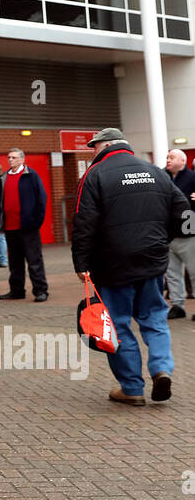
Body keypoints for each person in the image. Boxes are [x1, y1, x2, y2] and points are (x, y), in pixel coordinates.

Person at [72, 127, 188, 405]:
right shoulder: (155, 172)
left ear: (106, 145)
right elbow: (182, 208)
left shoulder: (95, 174)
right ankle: (161, 369)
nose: (94, 151)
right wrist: (164, 239)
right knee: (155, 319)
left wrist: (82, 263)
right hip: (151, 260)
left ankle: (132, 388)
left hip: (113, 264)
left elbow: (83, 222)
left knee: (119, 324)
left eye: (95, 147)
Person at [0, 147, 49, 302]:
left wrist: (36, 221)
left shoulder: (31, 175)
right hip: (10, 226)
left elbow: (41, 198)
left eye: (13, 157)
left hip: (28, 227)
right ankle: (16, 290)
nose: (10, 160)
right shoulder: (4, 177)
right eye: (9, 157)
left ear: (22, 159)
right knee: (15, 262)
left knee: (34, 261)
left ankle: (41, 291)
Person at [164, 149, 195, 321]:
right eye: (167, 157)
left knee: (194, 272)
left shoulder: (192, 177)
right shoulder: (161, 176)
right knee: (172, 273)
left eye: (172, 157)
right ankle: (177, 306)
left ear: (183, 161)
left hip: (189, 233)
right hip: (168, 235)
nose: (168, 160)